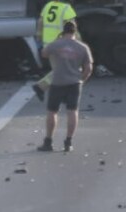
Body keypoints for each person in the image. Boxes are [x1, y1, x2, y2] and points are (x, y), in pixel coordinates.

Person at [39, 20, 93, 153]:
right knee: (72, 111)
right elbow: (89, 67)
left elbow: (44, 53)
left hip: (57, 82)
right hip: (74, 83)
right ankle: (68, 142)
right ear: (75, 31)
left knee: (52, 111)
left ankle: (48, 141)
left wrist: (57, 42)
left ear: (63, 31)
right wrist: (82, 79)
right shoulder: (82, 47)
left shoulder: (56, 44)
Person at [33, 0, 77, 101]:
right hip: (60, 44)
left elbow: (40, 23)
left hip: (48, 44)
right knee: (61, 70)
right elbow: (72, 28)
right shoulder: (67, 9)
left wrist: (39, 39)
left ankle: (59, 94)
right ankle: (40, 87)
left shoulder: (48, 6)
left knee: (59, 71)